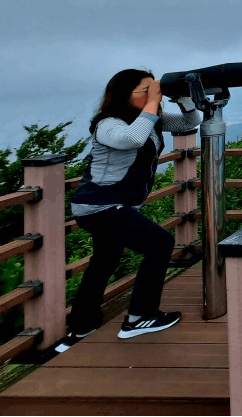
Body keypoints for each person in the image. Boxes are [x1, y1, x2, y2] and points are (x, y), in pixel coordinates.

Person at [55, 69, 202, 353]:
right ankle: (140, 317)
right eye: (145, 91)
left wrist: (183, 98)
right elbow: (131, 139)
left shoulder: (151, 121)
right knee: (160, 242)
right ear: (125, 94)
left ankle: (82, 326)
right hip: (99, 205)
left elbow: (190, 122)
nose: (152, 96)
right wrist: (152, 104)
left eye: (153, 90)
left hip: (110, 206)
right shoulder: (107, 124)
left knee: (105, 260)